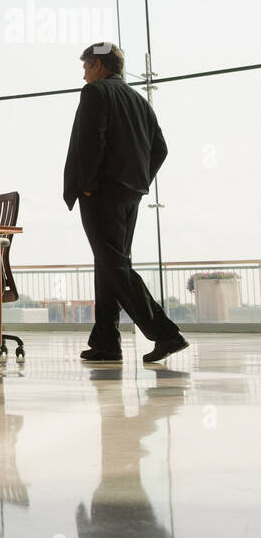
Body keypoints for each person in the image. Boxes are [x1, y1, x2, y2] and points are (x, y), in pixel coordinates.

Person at [64, 43, 187, 365]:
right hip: (129, 192)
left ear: (99, 66)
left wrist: (88, 185)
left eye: (86, 66)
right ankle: (106, 341)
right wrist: (139, 180)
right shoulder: (139, 100)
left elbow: (92, 140)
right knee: (109, 264)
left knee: (114, 264)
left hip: (101, 192)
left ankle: (165, 333)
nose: (84, 74)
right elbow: (160, 148)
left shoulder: (95, 94)